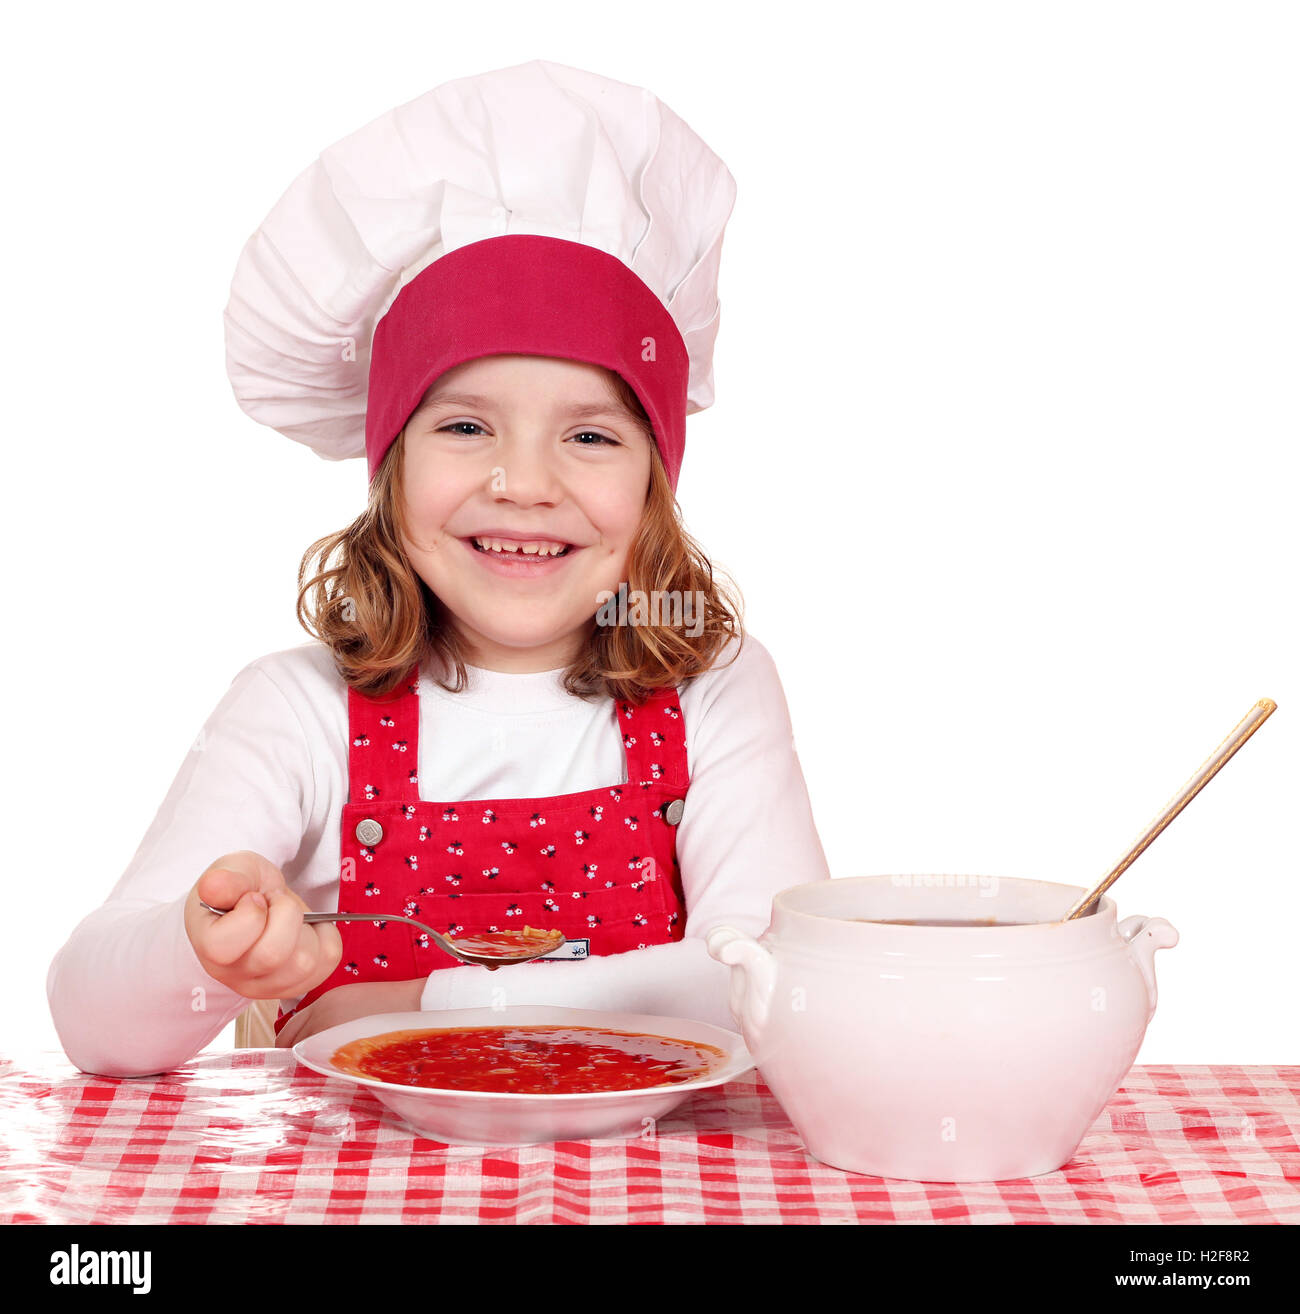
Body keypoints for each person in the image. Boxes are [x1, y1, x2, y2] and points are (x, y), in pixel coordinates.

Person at [47, 59, 830, 1078]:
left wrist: (409, 1004)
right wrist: (201, 950)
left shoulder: (716, 689)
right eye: (466, 426)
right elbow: (94, 1029)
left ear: (653, 483)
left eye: (591, 437)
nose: (524, 483)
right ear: (391, 467)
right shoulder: (297, 711)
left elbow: (774, 984)